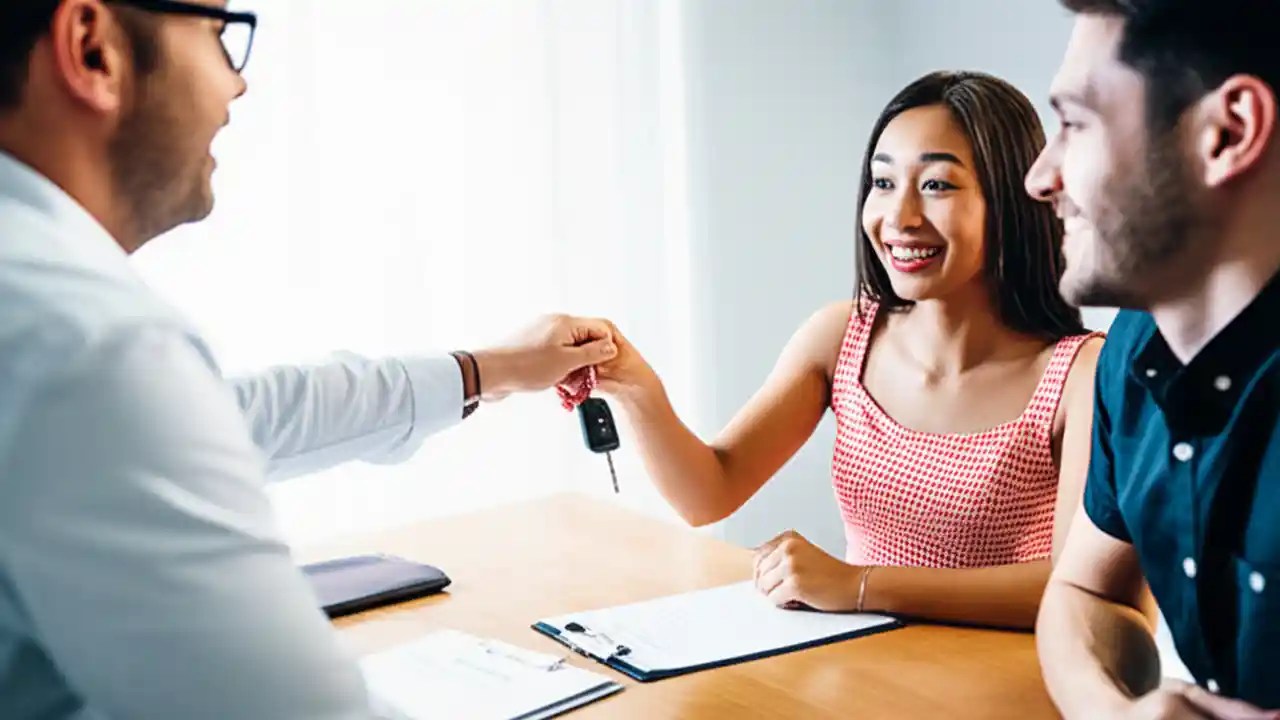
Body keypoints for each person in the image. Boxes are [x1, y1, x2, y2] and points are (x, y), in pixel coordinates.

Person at [0, 1, 616, 717]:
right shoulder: (85, 342)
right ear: (93, 48)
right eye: (217, 35)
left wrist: (488, 370)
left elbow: (231, 417)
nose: (238, 86)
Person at [596, 71, 1103, 630]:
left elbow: (1071, 585)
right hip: (862, 672)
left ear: (1009, 199)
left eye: (937, 185)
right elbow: (708, 493)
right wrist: (634, 385)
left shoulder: (1079, 374)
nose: (900, 218)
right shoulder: (842, 338)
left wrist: (859, 585)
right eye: (882, 183)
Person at [1028, 1, 1280, 717]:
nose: (1040, 178)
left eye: (1074, 123)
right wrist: (1115, 713)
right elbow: (1081, 592)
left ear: (1227, 133)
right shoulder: (1131, 350)